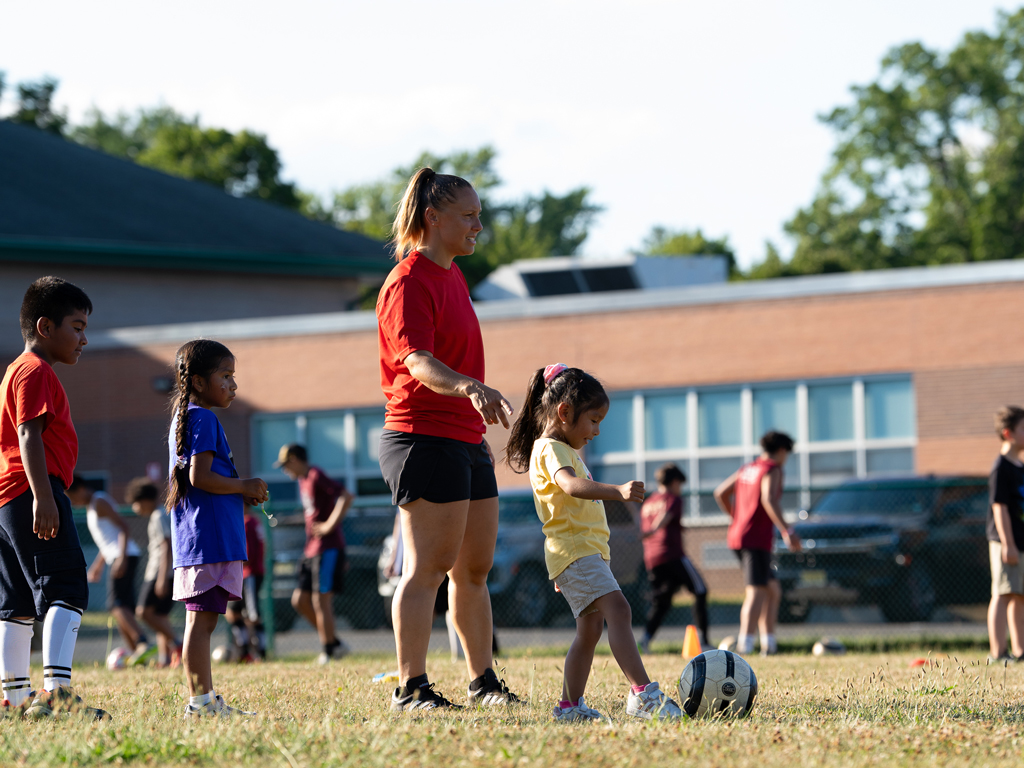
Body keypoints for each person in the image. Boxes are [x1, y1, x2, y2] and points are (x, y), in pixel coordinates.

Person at [376, 167, 520, 711]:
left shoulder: (453, 274)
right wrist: (469, 386)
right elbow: (417, 362)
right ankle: (410, 687)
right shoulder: (407, 281)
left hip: (464, 436)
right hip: (422, 438)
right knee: (428, 569)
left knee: (474, 569)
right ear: (433, 218)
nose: (479, 224)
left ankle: (483, 681)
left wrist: (472, 400)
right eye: (468, 215)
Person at [506, 364, 683, 722]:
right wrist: (617, 491)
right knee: (619, 611)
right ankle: (643, 695)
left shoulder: (562, 449)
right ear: (565, 412)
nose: (597, 431)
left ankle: (569, 708)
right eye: (593, 420)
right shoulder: (551, 448)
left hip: (578, 554)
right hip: (576, 552)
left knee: (589, 630)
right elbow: (570, 487)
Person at [0, 276, 105, 719]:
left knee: (17, 602)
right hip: (32, 492)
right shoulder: (35, 370)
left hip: (9, 497)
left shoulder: (16, 369)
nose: (84, 338)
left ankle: (14, 697)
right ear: (45, 326)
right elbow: (29, 434)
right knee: (64, 587)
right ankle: (57, 694)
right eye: (77, 326)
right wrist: (44, 497)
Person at [166, 338, 268, 718]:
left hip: (203, 538)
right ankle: (201, 703)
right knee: (202, 621)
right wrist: (244, 486)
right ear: (196, 381)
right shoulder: (203, 418)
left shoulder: (187, 417)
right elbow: (201, 477)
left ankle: (203, 700)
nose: (232, 385)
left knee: (202, 620)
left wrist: (239, 492)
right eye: (225, 376)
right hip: (208, 540)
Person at [714, 430, 801, 657]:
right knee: (757, 592)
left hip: (740, 536)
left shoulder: (747, 469)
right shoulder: (772, 469)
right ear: (782, 451)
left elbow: (720, 493)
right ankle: (745, 645)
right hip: (755, 538)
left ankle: (769, 644)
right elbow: (768, 499)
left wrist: (737, 517)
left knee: (773, 591)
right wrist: (787, 529)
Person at [276, 443, 352, 665]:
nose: (285, 470)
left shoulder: (316, 474)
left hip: (328, 547)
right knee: (299, 600)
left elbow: (346, 496)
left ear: (295, 460)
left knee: (321, 600)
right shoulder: (302, 481)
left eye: (286, 465)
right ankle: (335, 643)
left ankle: (329, 650)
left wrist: (329, 525)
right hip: (311, 549)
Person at [67, 476, 153, 666]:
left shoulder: (99, 501)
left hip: (123, 555)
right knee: (123, 607)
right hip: (118, 555)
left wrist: (121, 557)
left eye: (72, 497)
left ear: (81, 489)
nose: (73, 503)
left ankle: (142, 642)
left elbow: (123, 527)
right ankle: (137, 657)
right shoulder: (92, 506)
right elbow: (108, 540)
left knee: (116, 605)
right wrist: (97, 566)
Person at [638, 462, 709, 653]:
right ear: (676, 481)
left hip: (652, 558)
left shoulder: (650, 501)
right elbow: (665, 518)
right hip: (671, 553)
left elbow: (656, 522)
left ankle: (644, 639)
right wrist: (655, 530)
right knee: (700, 590)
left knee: (662, 602)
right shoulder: (673, 498)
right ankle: (704, 640)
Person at [125, 477, 182, 669]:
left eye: (135, 503)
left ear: (145, 500)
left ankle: (177, 644)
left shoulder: (158, 516)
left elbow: (166, 546)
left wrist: (161, 579)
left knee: (143, 612)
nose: (135, 508)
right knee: (160, 615)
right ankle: (165, 659)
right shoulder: (161, 515)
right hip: (165, 572)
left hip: (159, 572)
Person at [986, 406, 1024, 663]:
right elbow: (999, 508)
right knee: (1002, 593)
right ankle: (997, 653)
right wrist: (1008, 544)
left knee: (1019, 594)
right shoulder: (1001, 467)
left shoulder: (1020, 465)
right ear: (1009, 433)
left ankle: (1020, 651)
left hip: (1020, 541)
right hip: (1004, 542)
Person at [225, 506, 266, 662]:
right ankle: (243, 650)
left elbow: (246, 555)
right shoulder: (255, 520)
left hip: (248, 575)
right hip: (247, 575)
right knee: (233, 612)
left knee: (252, 615)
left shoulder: (247, 522)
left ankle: (259, 652)